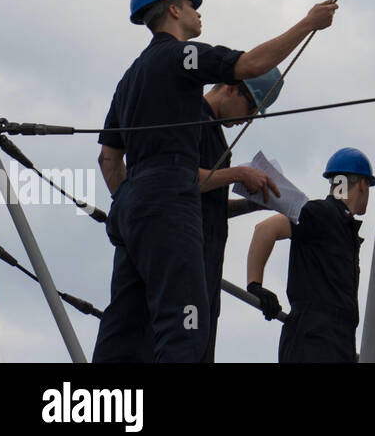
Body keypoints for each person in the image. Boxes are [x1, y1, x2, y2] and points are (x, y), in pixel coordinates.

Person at [92, 0, 338, 363]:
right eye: (192, 5)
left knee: (122, 330)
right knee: (184, 326)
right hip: (170, 205)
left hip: (132, 210)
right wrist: (309, 23)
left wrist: (131, 198)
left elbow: (109, 157)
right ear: (174, 9)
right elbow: (249, 64)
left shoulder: (129, 78)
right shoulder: (182, 57)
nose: (198, 12)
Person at [96, 68, 284, 362]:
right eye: (251, 108)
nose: (247, 119)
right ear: (233, 88)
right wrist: (238, 174)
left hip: (200, 271)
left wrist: (252, 204)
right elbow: (171, 177)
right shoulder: (186, 116)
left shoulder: (214, 134)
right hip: (172, 262)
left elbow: (199, 202)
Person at [246, 147, 375, 363]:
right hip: (313, 340)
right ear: (363, 184)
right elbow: (265, 229)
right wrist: (255, 285)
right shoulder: (322, 213)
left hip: (337, 343)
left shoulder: (344, 227)